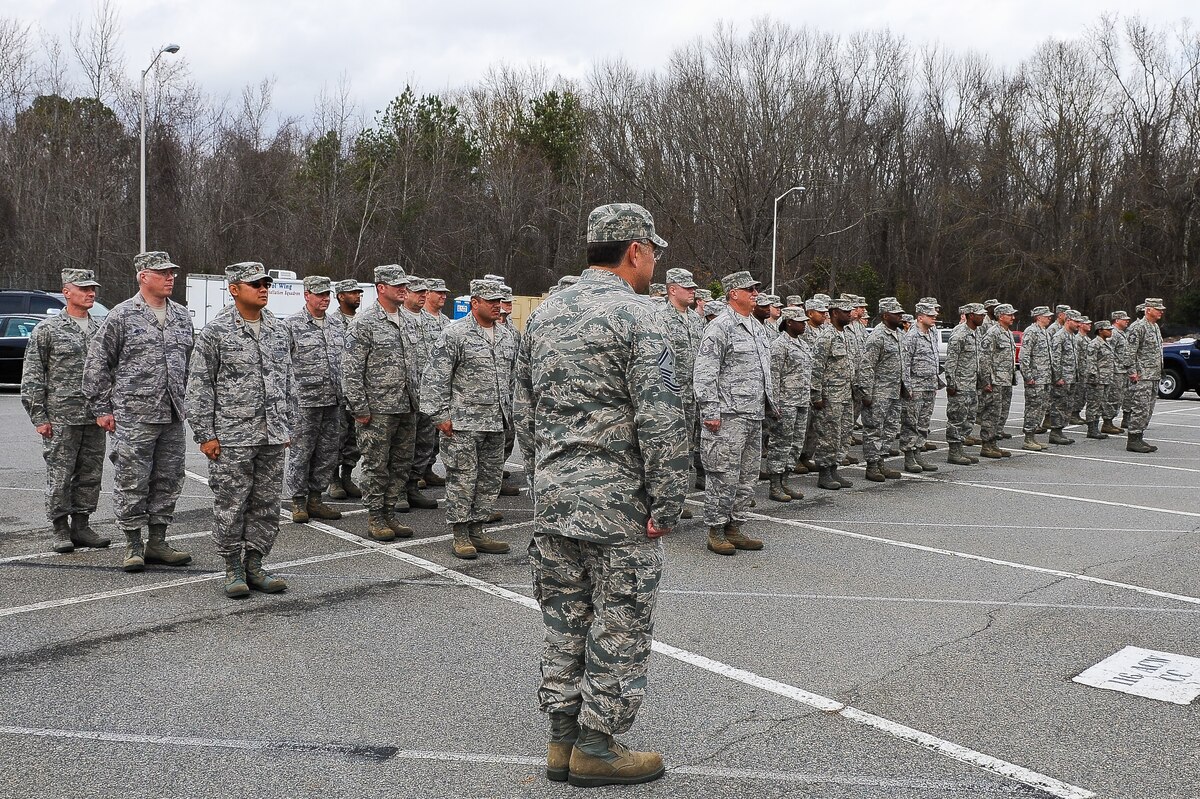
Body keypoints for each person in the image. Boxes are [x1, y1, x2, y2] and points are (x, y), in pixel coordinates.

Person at [514, 202, 687, 788]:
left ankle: (562, 740)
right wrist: (667, 501)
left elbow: (525, 410)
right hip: (619, 509)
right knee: (619, 623)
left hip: (555, 500)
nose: (657, 261)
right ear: (633, 251)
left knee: (564, 619)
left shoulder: (544, 315)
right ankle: (596, 746)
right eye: (653, 250)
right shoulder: (646, 317)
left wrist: (550, 476)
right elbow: (662, 421)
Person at [186, 263, 296, 598]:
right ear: (234, 288)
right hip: (232, 437)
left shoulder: (279, 330)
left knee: (266, 504)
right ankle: (233, 568)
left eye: (266, 283)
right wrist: (206, 434)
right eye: (255, 284)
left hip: (272, 435)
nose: (264, 288)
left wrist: (288, 423)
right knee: (232, 504)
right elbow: (199, 387)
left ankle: (255, 564)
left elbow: (288, 380)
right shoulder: (215, 333)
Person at [83, 251, 193, 572]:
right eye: (163, 273)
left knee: (168, 478)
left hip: (172, 415)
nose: (171, 277)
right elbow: (97, 362)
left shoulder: (182, 316)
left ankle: (158, 541)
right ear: (143, 276)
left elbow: (190, 365)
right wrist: (101, 408)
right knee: (132, 480)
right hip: (133, 415)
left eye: (172, 272)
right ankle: (133, 544)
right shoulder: (122, 315)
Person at [421, 279, 516, 559]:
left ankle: (478, 529)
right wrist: (440, 415)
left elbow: (513, 379)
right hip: (462, 423)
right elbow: (435, 376)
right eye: (491, 302)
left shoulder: (507, 335)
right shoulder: (455, 334)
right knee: (463, 479)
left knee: (489, 480)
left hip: (496, 421)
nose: (498, 306)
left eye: (500, 301)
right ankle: (460, 534)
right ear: (475, 303)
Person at [21, 268, 111, 553]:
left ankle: (82, 526)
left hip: (94, 416)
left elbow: (111, 372)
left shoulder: (101, 329)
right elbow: (33, 375)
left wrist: (110, 408)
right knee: (61, 474)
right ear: (67, 292)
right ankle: (60, 528)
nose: (90, 293)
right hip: (61, 416)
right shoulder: (48, 330)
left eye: (92, 288)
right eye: (84, 288)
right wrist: (39, 417)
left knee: (90, 473)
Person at [694, 270, 774, 555]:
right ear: (733, 294)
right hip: (726, 415)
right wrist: (710, 410)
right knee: (722, 473)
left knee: (748, 475)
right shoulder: (720, 327)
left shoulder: (757, 326)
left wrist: (769, 403)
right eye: (749, 290)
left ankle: (735, 526)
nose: (755, 294)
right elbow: (705, 371)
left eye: (756, 289)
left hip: (753, 412)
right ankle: (716, 529)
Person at [342, 265, 421, 542]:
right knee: (376, 465)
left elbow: (417, 364)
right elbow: (351, 370)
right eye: (397, 285)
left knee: (401, 464)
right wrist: (359, 408)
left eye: (405, 285)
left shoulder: (410, 321)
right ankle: (375, 516)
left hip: (406, 406)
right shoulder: (364, 323)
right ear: (381, 288)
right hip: (377, 409)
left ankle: (389, 513)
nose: (403, 289)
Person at [284, 276, 344, 523]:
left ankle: (316, 499)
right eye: (319, 294)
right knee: (302, 453)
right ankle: (298, 501)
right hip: (304, 402)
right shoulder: (291, 325)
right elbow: (283, 366)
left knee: (327, 453)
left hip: (332, 400)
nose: (325, 299)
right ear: (306, 294)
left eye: (327, 294)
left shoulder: (336, 325)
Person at [654, 267, 703, 518]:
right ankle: (662, 498)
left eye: (694, 287)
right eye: (688, 287)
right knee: (667, 448)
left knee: (687, 447)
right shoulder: (659, 317)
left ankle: (678, 497)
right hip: (670, 395)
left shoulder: (695, 319)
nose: (693, 291)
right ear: (672, 289)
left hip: (693, 396)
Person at [398, 277, 439, 510]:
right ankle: (399, 491)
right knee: (403, 447)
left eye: (425, 292)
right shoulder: (399, 319)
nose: (423, 295)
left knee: (424, 443)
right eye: (418, 292)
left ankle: (413, 485)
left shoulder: (431, 322)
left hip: (427, 393)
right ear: (406, 294)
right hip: (403, 396)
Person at [765, 306, 811, 501]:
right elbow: (773, 377)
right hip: (785, 402)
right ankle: (775, 484)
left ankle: (785, 480)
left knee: (795, 443)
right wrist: (774, 404)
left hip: (801, 400)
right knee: (780, 443)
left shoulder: (803, 344)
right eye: (800, 321)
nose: (804, 325)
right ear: (789, 322)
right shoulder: (779, 345)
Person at [809, 297, 855, 489]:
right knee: (828, 435)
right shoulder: (825, 337)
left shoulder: (846, 335)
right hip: (830, 396)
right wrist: (816, 395)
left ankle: (834, 468)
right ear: (834, 313)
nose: (850, 314)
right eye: (845, 311)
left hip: (845, 394)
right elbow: (816, 367)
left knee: (843, 434)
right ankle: (824, 472)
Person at [858, 298, 906, 482]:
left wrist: (905, 386)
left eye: (901, 313)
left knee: (890, 429)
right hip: (879, 392)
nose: (900, 316)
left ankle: (881, 462)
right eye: (896, 313)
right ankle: (871, 465)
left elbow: (902, 363)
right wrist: (866, 392)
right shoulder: (877, 337)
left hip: (894, 391)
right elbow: (867, 366)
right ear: (886, 315)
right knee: (874, 429)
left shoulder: (899, 335)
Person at [327, 278, 365, 500]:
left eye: (359, 293)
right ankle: (333, 479)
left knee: (354, 437)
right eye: (352, 293)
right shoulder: (332, 323)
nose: (357, 296)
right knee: (336, 437)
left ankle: (347, 475)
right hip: (337, 391)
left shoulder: (363, 321)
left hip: (358, 391)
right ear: (341, 296)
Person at [900, 300, 941, 472]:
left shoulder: (931, 333)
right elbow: (905, 364)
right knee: (911, 423)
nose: (935, 318)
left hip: (930, 385)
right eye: (931, 316)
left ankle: (918, 453)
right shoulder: (911, 336)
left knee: (924, 423)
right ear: (920, 317)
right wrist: (907, 388)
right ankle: (909, 457)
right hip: (915, 387)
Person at [944, 303, 984, 465]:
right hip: (960, 384)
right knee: (957, 418)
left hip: (972, 384)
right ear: (970, 315)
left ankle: (960, 448)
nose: (983, 317)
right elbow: (951, 361)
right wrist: (951, 383)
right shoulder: (960, 334)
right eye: (980, 315)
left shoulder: (977, 333)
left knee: (969, 418)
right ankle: (954, 452)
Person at [1124, 298, 1166, 453]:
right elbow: (1129, 353)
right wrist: (1132, 372)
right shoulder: (1138, 327)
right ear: (1148, 310)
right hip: (1142, 376)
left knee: (1148, 409)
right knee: (1140, 407)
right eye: (1158, 309)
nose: (1161, 311)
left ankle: (1139, 436)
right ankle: (1133, 439)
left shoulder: (1154, 326)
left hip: (1153, 375)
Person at [979, 303, 1018, 458]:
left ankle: (994, 443)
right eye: (1010, 315)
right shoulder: (993, 333)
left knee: (1001, 414)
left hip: (1006, 380)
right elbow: (984, 358)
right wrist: (986, 381)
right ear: (1001, 316)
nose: (1013, 317)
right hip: (995, 381)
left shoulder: (1007, 333)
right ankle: (986, 445)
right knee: (991, 414)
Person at [1019, 306, 1056, 451]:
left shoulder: (1045, 333)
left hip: (1045, 378)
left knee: (1041, 408)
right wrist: (1028, 376)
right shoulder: (1031, 331)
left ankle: (1033, 436)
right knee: (1033, 408)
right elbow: (1024, 356)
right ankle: (1028, 438)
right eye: (1046, 316)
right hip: (1035, 379)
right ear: (1038, 317)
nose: (1049, 318)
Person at [1048, 311, 1081, 445]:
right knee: (1059, 405)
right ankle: (1055, 432)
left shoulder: (1072, 336)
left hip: (1072, 377)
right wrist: (1058, 377)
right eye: (1076, 322)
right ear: (1068, 321)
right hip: (1063, 379)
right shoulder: (1059, 336)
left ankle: (1060, 429)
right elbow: (1055, 359)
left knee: (1067, 405)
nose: (1079, 324)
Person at [1084, 320, 1117, 440]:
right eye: (1108, 330)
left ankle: (1095, 427)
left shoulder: (1106, 343)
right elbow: (1091, 362)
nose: (1110, 332)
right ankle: (1091, 429)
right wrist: (1094, 378)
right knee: (1094, 404)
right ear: (1100, 330)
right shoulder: (1094, 344)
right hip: (1097, 380)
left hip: (1105, 379)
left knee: (1100, 404)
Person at [1107, 310, 1131, 433]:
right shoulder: (1112, 333)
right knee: (1113, 397)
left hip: (1122, 371)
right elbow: (1109, 353)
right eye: (1124, 319)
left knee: (1119, 397)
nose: (1127, 321)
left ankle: (1110, 421)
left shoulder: (1122, 333)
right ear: (1116, 320)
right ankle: (1107, 422)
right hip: (1115, 371)